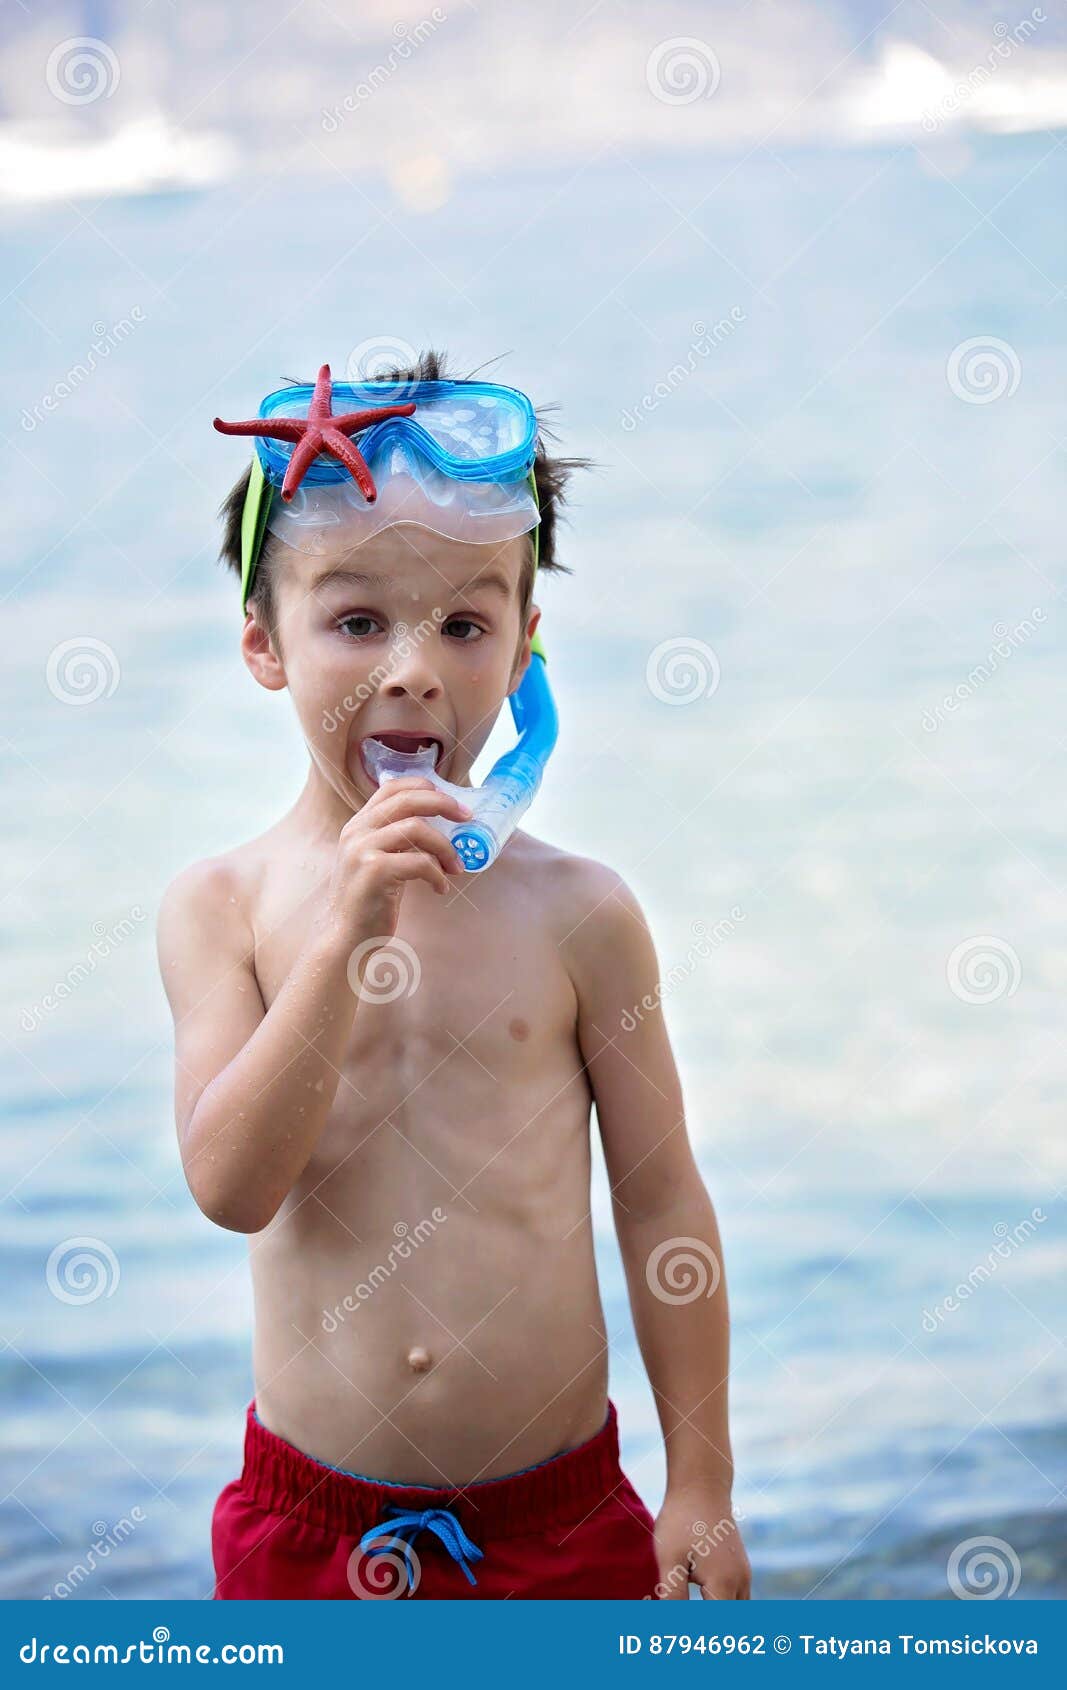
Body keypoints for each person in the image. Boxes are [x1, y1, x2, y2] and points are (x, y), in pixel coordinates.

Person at [157, 348, 750, 1601]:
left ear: (526, 644)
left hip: (559, 1522)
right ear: (265, 642)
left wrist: (700, 1482)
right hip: (307, 1530)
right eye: (358, 620)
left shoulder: (579, 914)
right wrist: (347, 931)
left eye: (465, 622)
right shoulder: (222, 908)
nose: (415, 666)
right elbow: (231, 1187)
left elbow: (661, 1209)